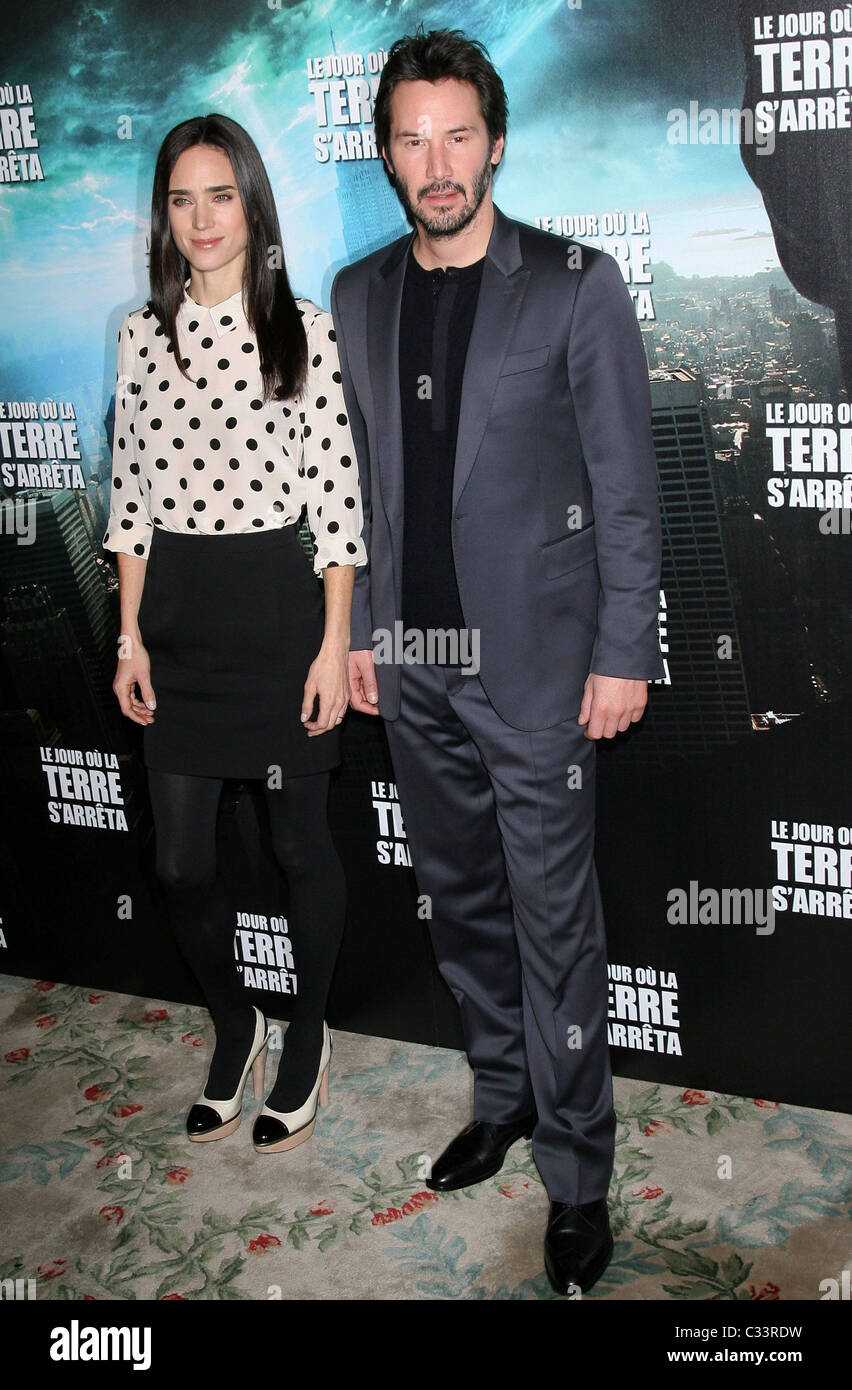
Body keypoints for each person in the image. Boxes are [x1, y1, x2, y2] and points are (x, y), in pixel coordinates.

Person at [331, 28, 664, 1294]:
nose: (437, 162)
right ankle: (505, 1094)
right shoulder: (359, 293)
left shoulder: (576, 285)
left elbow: (626, 489)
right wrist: (364, 634)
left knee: (555, 923)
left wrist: (623, 649)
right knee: (463, 901)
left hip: (537, 669)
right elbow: (362, 488)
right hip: (414, 658)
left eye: (458, 135)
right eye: (412, 139)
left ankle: (577, 1173)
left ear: (497, 144)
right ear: (386, 154)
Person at [103, 113, 366, 1154]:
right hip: (177, 620)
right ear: (163, 216)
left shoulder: (303, 329)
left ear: (252, 206)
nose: (202, 218)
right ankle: (236, 1020)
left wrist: (333, 644)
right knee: (179, 865)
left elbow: (337, 505)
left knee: (300, 844)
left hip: (278, 612)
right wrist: (128, 639)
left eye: (221, 195)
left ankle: (308, 1032)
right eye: (181, 199)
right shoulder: (139, 335)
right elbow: (129, 502)